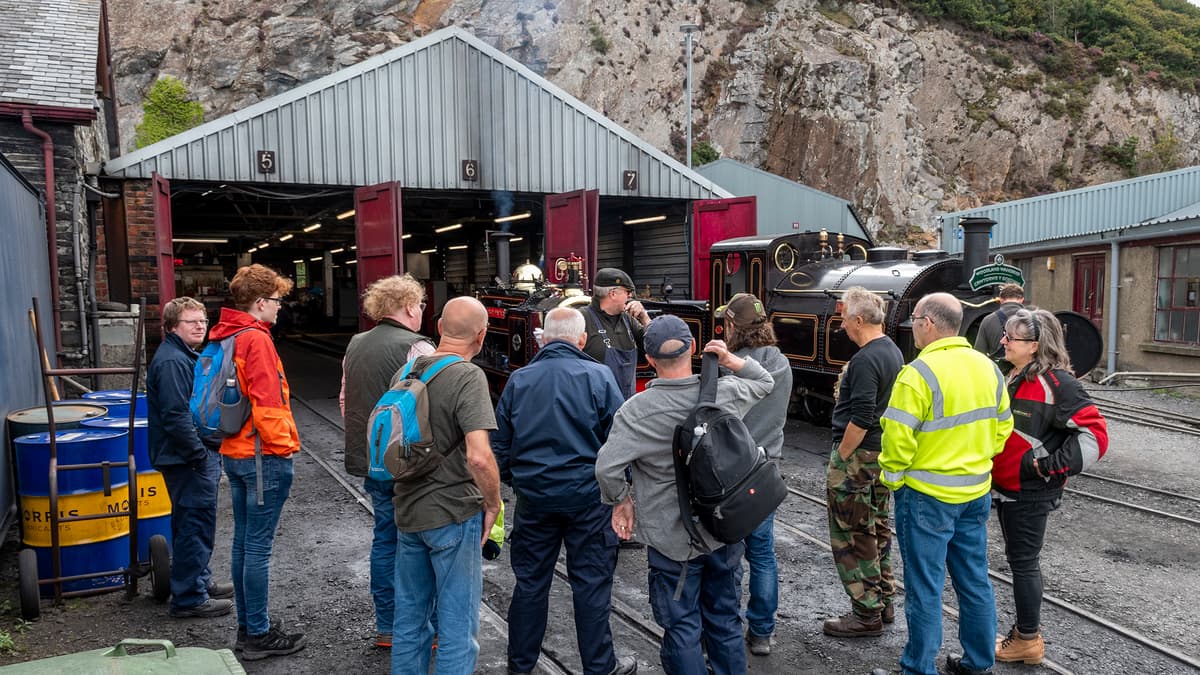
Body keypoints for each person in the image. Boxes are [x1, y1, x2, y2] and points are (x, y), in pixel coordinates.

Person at [595, 315, 774, 675]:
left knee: (682, 629)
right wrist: (728, 359)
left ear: (648, 361)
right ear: (692, 348)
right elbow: (764, 381)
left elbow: (606, 468)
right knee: (724, 621)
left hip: (671, 541)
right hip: (723, 532)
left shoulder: (636, 411)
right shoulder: (725, 393)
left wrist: (622, 501)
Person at [872, 293, 1012, 675]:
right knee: (973, 580)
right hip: (974, 493)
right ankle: (979, 660)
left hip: (926, 497)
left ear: (929, 324)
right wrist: (975, 458)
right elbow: (1003, 427)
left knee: (924, 586)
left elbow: (897, 439)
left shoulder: (918, 373)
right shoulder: (989, 369)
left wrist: (895, 480)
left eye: (915, 318)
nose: (912, 325)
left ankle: (919, 667)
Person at [491, 307, 635, 675]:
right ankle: (599, 668)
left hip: (535, 500)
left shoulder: (519, 380)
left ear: (543, 337)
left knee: (530, 585)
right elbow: (618, 444)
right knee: (591, 586)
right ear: (582, 338)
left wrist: (519, 482)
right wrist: (619, 492)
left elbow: (501, 447)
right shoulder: (599, 377)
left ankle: (520, 666)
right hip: (589, 501)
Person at [391, 296, 502, 675]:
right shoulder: (469, 376)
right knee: (457, 625)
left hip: (408, 511)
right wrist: (493, 503)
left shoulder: (407, 372)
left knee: (410, 620)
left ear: (438, 328)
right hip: (453, 513)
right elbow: (479, 456)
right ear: (482, 335)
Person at [992, 309, 1108, 665]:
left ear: (1035, 345)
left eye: (1011, 337)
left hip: (1030, 490)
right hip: (1011, 487)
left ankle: (1027, 638)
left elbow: (1097, 437)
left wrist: (1043, 467)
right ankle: (1026, 636)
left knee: (1024, 562)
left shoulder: (1059, 384)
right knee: (1019, 559)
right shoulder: (1017, 375)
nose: (1003, 341)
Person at [208, 264, 305, 661]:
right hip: (262, 455)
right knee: (258, 549)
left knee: (244, 543)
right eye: (278, 300)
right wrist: (284, 450)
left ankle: (250, 627)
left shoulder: (226, 334)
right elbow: (268, 403)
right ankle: (258, 635)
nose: (281, 308)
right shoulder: (257, 340)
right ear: (261, 302)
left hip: (235, 450)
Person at [339, 274, 435, 649]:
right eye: (422, 305)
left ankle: (389, 627)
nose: (422, 312)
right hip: (410, 463)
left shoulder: (356, 343)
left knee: (385, 538)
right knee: (425, 541)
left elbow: (346, 402)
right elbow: (432, 407)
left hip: (372, 459)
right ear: (410, 306)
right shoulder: (418, 347)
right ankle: (427, 627)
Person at [823, 287, 904, 639]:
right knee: (876, 527)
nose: (843, 326)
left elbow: (862, 416)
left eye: (844, 319)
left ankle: (865, 612)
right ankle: (883, 600)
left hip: (858, 457)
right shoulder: (893, 351)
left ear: (858, 320)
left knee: (853, 533)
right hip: (880, 456)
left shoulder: (867, 359)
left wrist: (841, 457)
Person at [146, 297, 234, 619]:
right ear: (171, 327)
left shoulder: (182, 355)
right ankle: (189, 598)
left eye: (202, 320)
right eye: (191, 321)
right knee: (194, 525)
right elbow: (176, 416)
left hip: (185, 456)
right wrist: (198, 454)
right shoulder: (173, 362)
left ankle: (199, 581)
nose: (200, 326)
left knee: (191, 523)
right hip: (186, 458)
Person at [714, 292, 792, 656]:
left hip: (731, 474)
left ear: (733, 326)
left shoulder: (731, 367)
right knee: (762, 554)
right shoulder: (782, 364)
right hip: (767, 471)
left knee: (728, 554)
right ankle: (761, 632)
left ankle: (726, 626)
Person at [582, 267, 651, 400]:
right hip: (595, 408)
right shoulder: (582, 319)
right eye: (627, 292)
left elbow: (655, 345)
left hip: (626, 407)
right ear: (613, 294)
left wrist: (644, 317)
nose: (630, 296)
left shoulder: (628, 319)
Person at [973, 283, 1025, 368]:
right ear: (1022, 299)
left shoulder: (987, 320)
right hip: (1027, 376)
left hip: (998, 374)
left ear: (1000, 299)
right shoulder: (1034, 321)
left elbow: (979, 355)